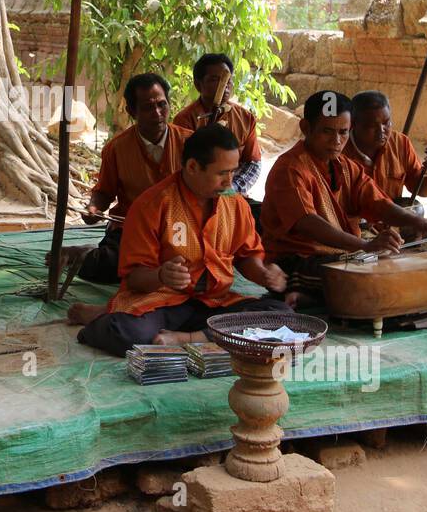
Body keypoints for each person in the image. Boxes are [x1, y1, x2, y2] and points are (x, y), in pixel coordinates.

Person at [77, 125, 291, 357]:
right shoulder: (153, 204)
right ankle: (103, 318)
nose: (229, 182)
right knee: (127, 334)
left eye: (233, 172)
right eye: (222, 173)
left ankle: (191, 337)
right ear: (192, 167)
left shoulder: (236, 203)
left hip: (214, 302)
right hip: (163, 302)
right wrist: (161, 275)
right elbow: (134, 277)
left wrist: (264, 274)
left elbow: (246, 255)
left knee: (282, 315)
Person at [260, 90, 427, 306]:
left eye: (343, 132)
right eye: (327, 131)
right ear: (306, 128)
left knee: (400, 270)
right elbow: (307, 223)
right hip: (297, 259)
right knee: (373, 283)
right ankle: (300, 291)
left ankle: (312, 298)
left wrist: (421, 223)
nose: (337, 141)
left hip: (341, 255)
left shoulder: (346, 166)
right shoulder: (290, 168)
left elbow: (379, 204)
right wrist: (365, 246)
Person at [76, 73, 191, 285]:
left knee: (195, 265)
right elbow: (104, 192)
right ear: (131, 111)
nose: (157, 113)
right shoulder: (116, 148)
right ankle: (85, 253)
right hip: (133, 228)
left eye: (162, 104)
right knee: (109, 267)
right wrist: (93, 208)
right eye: (148, 107)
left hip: (180, 228)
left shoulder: (191, 143)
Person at [172, 52, 263, 203]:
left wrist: (230, 190)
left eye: (228, 80)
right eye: (215, 79)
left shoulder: (245, 118)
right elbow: (184, 167)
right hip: (196, 196)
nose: (224, 85)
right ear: (198, 85)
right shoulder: (185, 120)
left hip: (232, 193)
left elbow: (253, 164)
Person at [343, 90, 427, 204]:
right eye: (372, 126)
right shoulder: (340, 150)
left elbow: (422, 190)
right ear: (353, 124)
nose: (381, 131)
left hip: (392, 214)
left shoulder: (400, 143)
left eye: (386, 123)